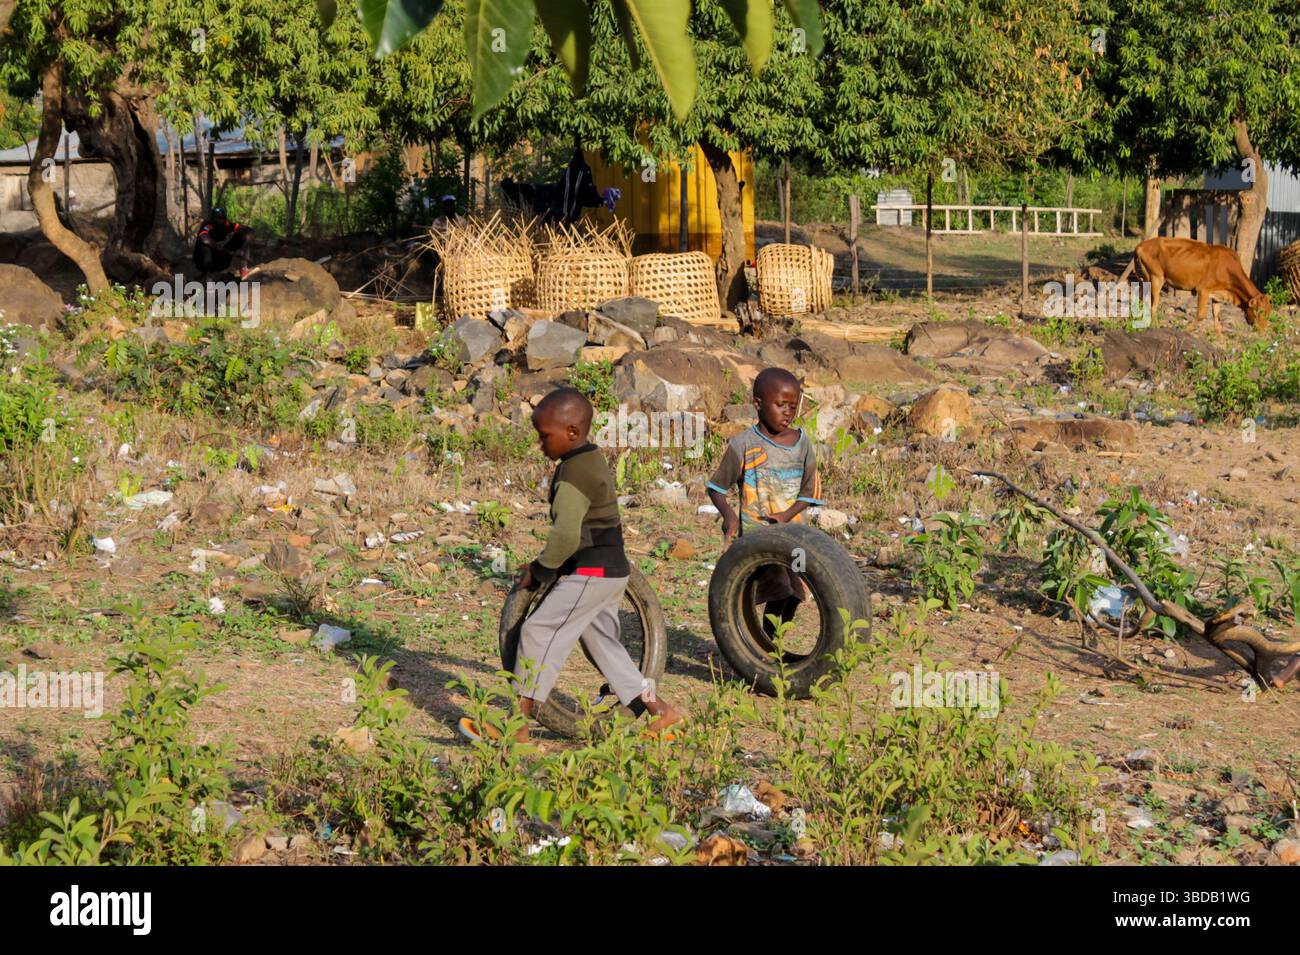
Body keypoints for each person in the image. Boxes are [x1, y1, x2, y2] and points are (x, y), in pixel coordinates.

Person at [458, 388, 684, 743]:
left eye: (545, 436)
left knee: (538, 632)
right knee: (604, 647)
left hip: (591, 574)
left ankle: (515, 728)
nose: (540, 444)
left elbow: (565, 536)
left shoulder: (573, 473)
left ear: (572, 433)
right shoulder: (589, 460)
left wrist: (541, 570)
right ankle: (662, 711)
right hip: (611, 571)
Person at [706, 367, 823, 639]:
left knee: (796, 593)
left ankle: (770, 639)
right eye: (781, 405)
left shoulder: (802, 443)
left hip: (795, 536)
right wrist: (729, 516)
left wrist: (787, 514)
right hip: (758, 539)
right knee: (775, 587)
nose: (788, 412)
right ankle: (760, 643)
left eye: (793, 406)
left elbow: (809, 491)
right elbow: (716, 488)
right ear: (758, 404)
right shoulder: (743, 443)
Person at [193, 206, 252, 278]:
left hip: (219, 262)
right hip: (201, 263)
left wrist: (243, 250)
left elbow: (246, 229)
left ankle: (243, 269)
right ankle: (207, 276)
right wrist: (231, 253)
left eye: (222, 218)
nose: (219, 221)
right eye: (217, 218)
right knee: (206, 245)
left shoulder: (226, 224)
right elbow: (205, 240)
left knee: (244, 234)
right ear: (213, 219)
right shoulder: (208, 226)